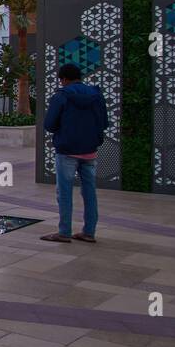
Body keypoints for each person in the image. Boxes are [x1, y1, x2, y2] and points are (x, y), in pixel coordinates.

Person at [41, 63, 109, 243]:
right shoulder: (96, 95)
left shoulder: (61, 96)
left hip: (67, 150)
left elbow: (49, 124)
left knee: (64, 192)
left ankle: (64, 232)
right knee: (89, 192)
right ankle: (89, 232)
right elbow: (104, 122)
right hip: (90, 151)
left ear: (63, 79)